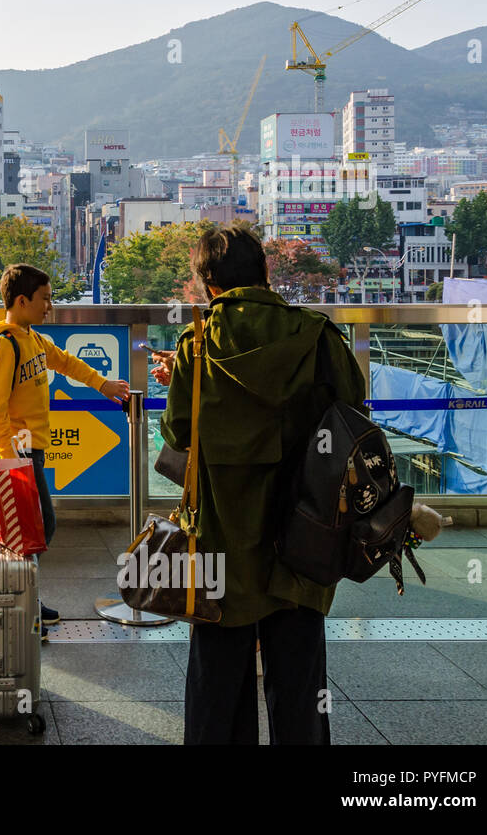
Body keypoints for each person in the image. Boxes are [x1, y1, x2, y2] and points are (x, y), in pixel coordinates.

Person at [159, 225, 366, 745]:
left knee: (216, 687)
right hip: (306, 534)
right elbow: (354, 415)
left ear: (208, 284)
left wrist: (186, 381)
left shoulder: (198, 341)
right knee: (299, 688)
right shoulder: (317, 336)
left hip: (222, 540)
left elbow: (179, 432)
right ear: (264, 273)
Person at [0, 264, 130, 638]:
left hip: (31, 452)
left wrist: (102, 384)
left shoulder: (34, 340)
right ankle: (20, 600)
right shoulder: (4, 345)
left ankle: (23, 600)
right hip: (18, 455)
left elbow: (66, 362)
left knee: (34, 529)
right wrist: (8, 460)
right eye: (44, 299)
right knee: (39, 526)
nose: (50, 306)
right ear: (21, 300)